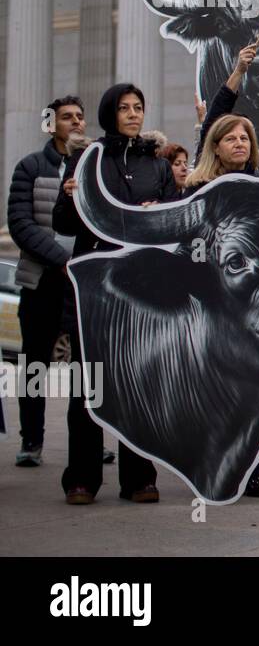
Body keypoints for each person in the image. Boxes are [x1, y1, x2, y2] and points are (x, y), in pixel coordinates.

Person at [53, 84, 180, 504]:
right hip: (95, 286)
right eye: (124, 108)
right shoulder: (85, 157)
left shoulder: (156, 164)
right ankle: (82, 479)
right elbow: (64, 224)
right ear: (110, 113)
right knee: (88, 387)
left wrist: (156, 216)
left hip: (142, 289)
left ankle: (139, 478)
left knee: (138, 386)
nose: (132, 114)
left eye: (138, 107)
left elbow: (175, 223)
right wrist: (71, 199)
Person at [183, 111, 259, 497]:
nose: (240, 143)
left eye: (245, 138)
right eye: (231, 138)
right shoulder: (197, 187)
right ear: (216, 147)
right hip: (213, 299)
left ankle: (249, 470)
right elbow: (190, 244)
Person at [8, 95, 84, 468]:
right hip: (42, 281)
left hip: (82, 283)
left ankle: (85, 441)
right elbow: (21, 225)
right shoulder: (30, 167)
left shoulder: (92, 166)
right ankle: (31, 440)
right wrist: (62, 260)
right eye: (66, 117)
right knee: (35, 364)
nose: (75, 122)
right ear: (51, 124)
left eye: (79, 117)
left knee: (86, 368)